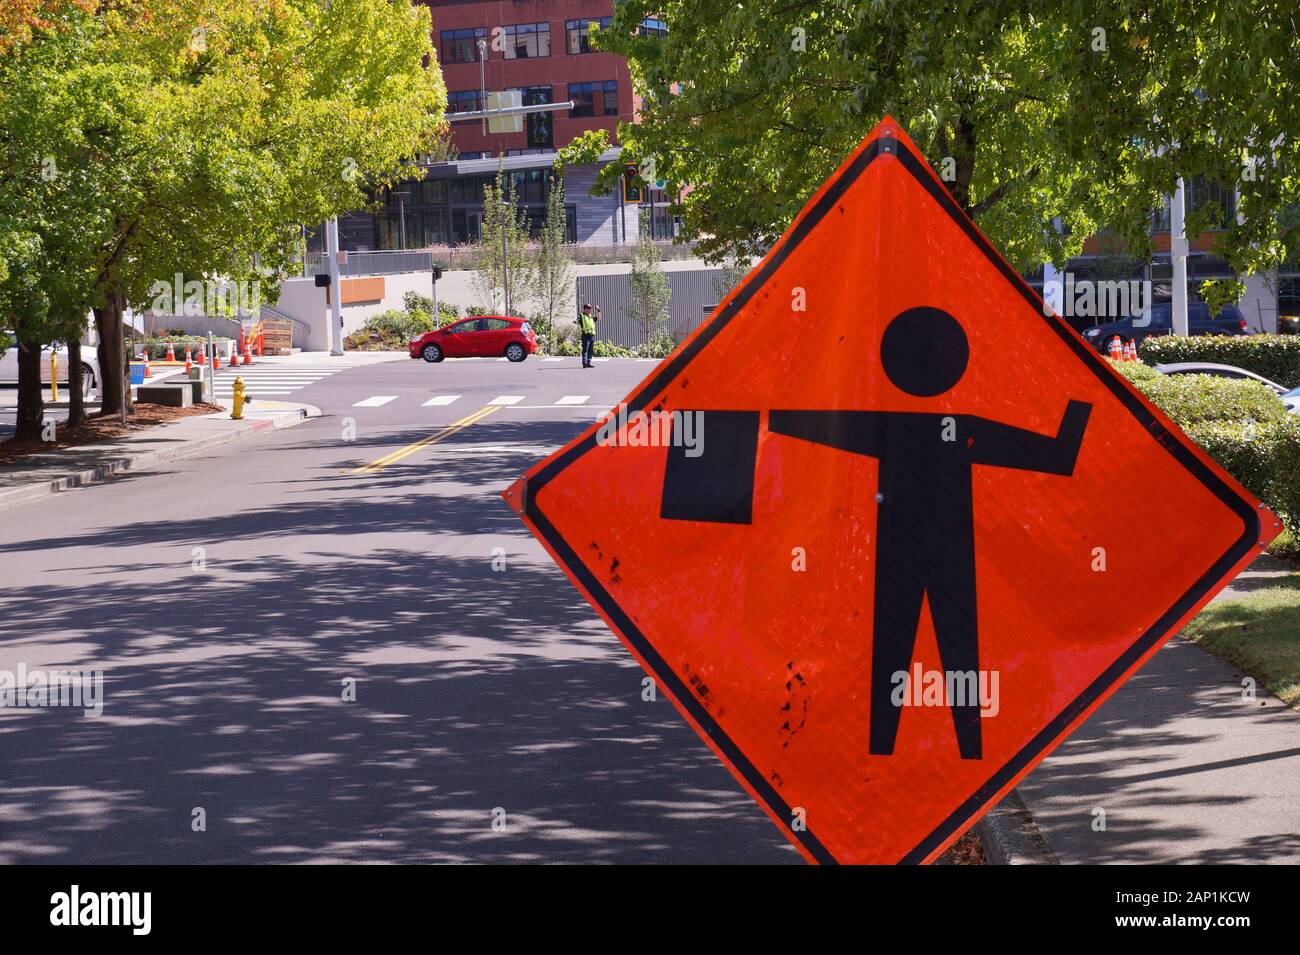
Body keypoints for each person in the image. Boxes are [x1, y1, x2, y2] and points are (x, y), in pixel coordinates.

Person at [578, 303, 600, 368]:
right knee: (585, 349)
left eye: (590, 308)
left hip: (592, 335)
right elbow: (578, 319)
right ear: (584, 309)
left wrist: (598, 310)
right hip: (585, 335)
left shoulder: (591, 316)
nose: (590, 310)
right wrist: (576, 321)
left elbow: (598, 318)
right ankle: (584, 363)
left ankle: (588, 363)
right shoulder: (581, 315)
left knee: (590, 349)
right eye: (588, 308)